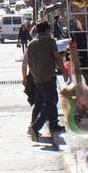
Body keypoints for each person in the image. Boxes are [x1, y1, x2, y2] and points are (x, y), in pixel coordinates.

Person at [23, 20, 62, 148]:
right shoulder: (51, 41)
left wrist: (33, 74)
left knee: (40, 102)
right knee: (50, 101)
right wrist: (64, 70)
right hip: (48, 76)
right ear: (46, 30)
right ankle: (36, 126)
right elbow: (57, 57)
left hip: (37, 78)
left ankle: (51, 124)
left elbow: (29, 62)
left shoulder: (31, 44)